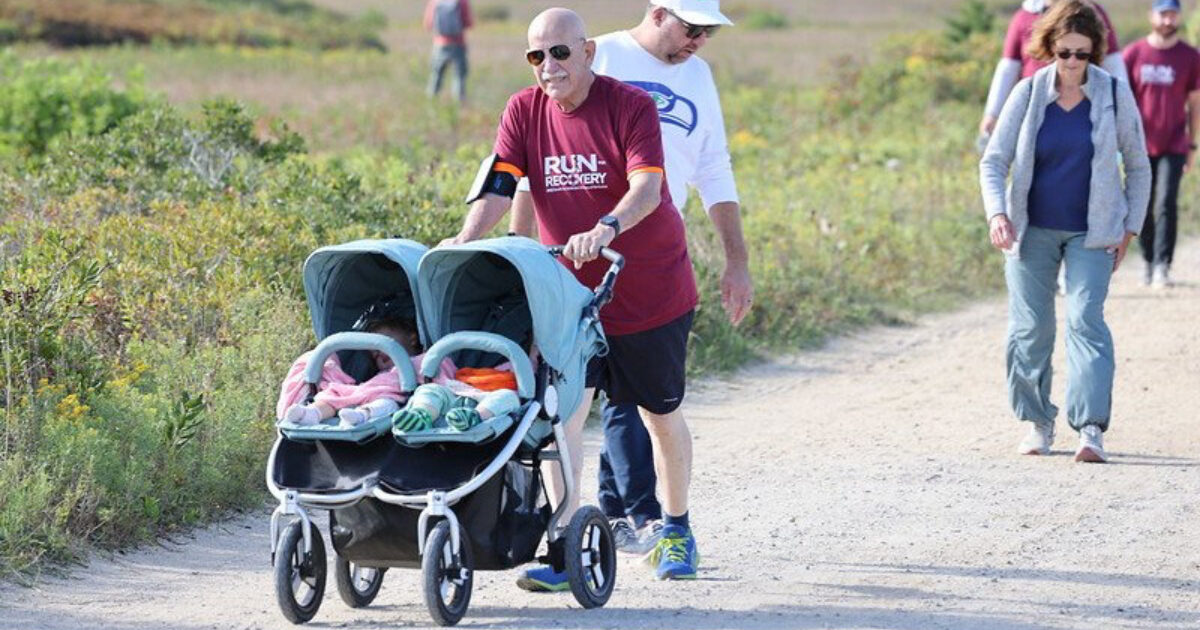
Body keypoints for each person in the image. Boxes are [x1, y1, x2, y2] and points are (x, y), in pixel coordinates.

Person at [441, 8, 703, 583]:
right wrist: (465, 239)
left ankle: (676, 531)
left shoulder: (630, 105)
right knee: (562, 421)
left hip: (649, 288)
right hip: (571, 298)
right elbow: (501, 182)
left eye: (560, 53)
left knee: (659, 414)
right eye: (536, 56)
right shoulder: (523, 110)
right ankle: (565, 545)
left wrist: (607, 228)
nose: (549, 67)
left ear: (587, 52)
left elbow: (647, 187)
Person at [507, 0, 750, 558]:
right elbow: (528, 173)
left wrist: (736, 260)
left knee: (647, 407)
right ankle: (597, 530)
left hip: (650, 261)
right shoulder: (595, 56)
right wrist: (519, 255)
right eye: (692, 28)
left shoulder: (698, 76)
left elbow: (714, 167)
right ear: (659, 14)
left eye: (708, 32)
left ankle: (655, 523)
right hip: (576, 268)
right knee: (575, 411)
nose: (699, 40)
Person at [980, 0, 1150, 463]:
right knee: (1031, 328)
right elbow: (994, 161)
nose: (1073, 62)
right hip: (1030, 230)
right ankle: (1037, 421)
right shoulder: (1028, 93)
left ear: (1095, 52)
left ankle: (1089, 427)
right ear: (1048, 48)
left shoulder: (1113, 94)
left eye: (1082, 53)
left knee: (1085, 321)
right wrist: (997, 214)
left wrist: (1130, 230)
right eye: (1064, 53)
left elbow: (1138, 166)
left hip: (1093, 234)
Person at [1123, 0, 1200, 289]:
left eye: (1173, 15)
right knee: (1142, 203)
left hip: (1175, 143)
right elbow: (1122, 102)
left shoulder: (1190, 57)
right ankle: (1147, 259)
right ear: (1151, 16)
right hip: (1139, 145)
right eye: (1163, 14)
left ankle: (1162, 265)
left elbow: (1195, 104)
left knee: (1166, 201)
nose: (1168, 20)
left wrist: (1192, 145)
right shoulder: (1133, 54)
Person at [980, 0, 1127, 139]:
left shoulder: (1092, 13)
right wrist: (993, 113)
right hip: (1034, 110)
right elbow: (1008, 68)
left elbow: (1113, 64)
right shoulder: (1024, 17)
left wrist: (1121, 107)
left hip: (1083, 109)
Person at [276, 308, 437, 428]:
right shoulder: (381, 375)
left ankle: (362, 415)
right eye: (374, 354)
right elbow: (368, 386)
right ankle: (312, 413)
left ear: (412, 338)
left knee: (386, 403)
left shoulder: (422, 360)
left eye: (384, 343)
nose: (378, 353)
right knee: (333, 395)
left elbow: (437, 377)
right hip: (367, 392)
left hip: (392, 396)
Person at [424, 0, 473, 103]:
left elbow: (428, 24)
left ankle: (430, 102)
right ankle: (459, 104)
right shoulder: (462, 2)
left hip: (439, 44)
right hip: (458, 43)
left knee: (436, 76)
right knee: (459, 77)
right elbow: (468, 23)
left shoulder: (434, 2)